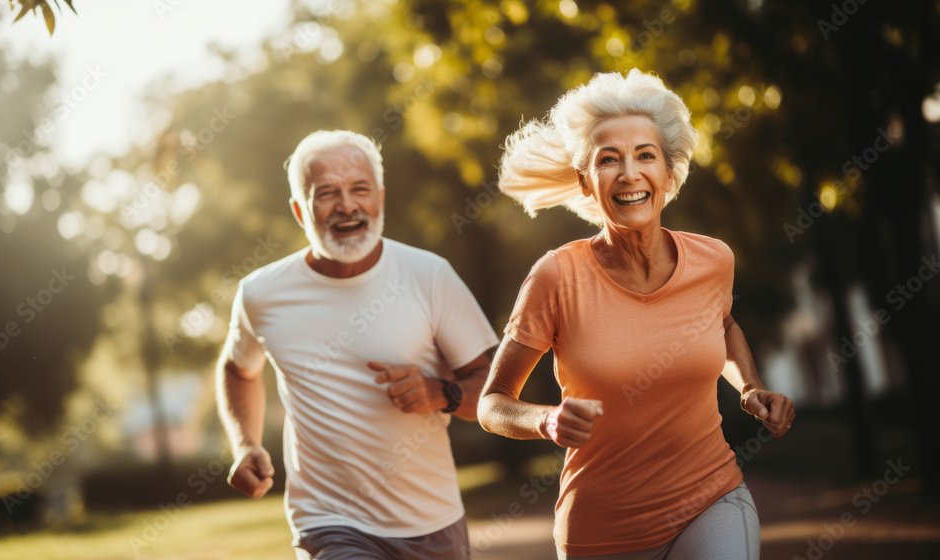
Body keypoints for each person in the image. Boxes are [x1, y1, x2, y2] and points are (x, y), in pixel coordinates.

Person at [477, 70, 796, 560]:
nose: (629, 173)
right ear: (586, 181)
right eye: (609, 160)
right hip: (601, 533)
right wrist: (547, 421)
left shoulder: (714, 261)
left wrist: (750, 386)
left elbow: (723, 324)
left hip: (711, 499)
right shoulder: (556, 277)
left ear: (670, 174)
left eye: (645, 155)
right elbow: (492, 403)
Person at [217, 130, 499, 559]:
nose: (346, 205)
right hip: (328, 523)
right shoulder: (261, 293)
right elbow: (237, 369)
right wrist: (245, 444)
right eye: (326, 193)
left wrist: (440, 393)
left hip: (433, 522)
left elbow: (495, 392)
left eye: (359, 189)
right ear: (299, 210)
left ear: (380, 199)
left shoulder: (429, 276)